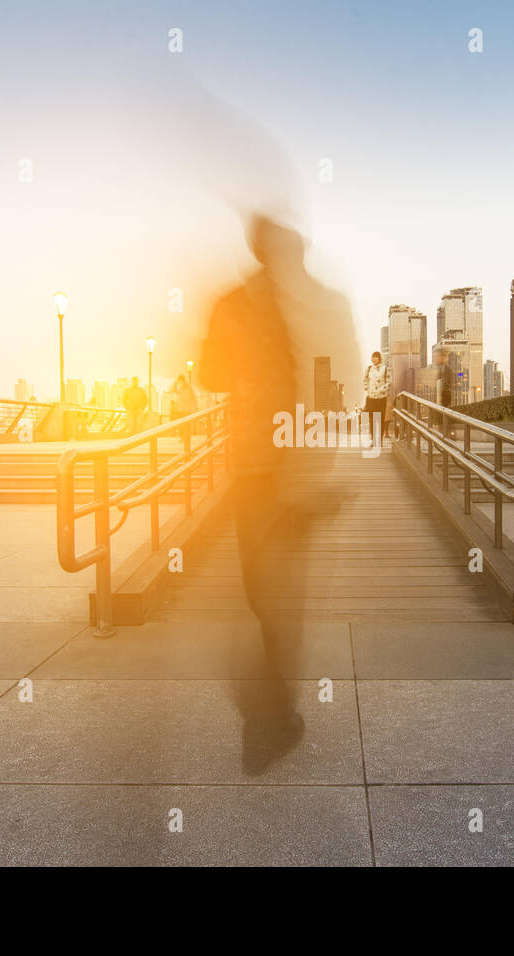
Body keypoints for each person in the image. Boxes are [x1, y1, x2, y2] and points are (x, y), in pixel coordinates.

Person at [199, 211, 354, 775]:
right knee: (265, 592)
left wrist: (322, 463)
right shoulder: (242, 305)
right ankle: (272, 706)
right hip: (259, 469)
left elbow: (335, 382)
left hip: (289, 470)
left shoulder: (310, 304)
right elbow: (213, 373)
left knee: (274, 591)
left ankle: (271, 714)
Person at [362, 351, 390, 448]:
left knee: (381, 420)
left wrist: (380, 390)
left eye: (376, 357)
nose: (374, 359)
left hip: (381, 398)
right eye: (372, 357)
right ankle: (374, 441)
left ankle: (380, 441)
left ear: (380, 358)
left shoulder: (386, 369)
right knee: (372, 420)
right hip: (371, 398)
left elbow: (389, 382)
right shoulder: (369, 369)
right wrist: (367, 389)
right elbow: (365, 380)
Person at [169, 373, 198, 450]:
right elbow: (171, 391)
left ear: (183, 380)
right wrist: (175, 384)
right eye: (179, 381)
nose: (179, 382)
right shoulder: (177, 387)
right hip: (179, 410)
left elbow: (193, 398)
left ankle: (186, 443)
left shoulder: (188, 387)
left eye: (180, 380)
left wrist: (195, 409)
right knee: (181, 425)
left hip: (186, 410)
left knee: (186, 427)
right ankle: (183, 438)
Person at [433, 348, 456, 437]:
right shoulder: (438, 369)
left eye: (438, 356)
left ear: (443, 357)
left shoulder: (447, 369)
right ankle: (443, 435)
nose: (436, 358)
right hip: (440, 399)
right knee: (441, 420)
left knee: (445, 419)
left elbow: (448, 385)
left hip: (445, 398)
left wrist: (442, 396)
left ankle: (447, 436)